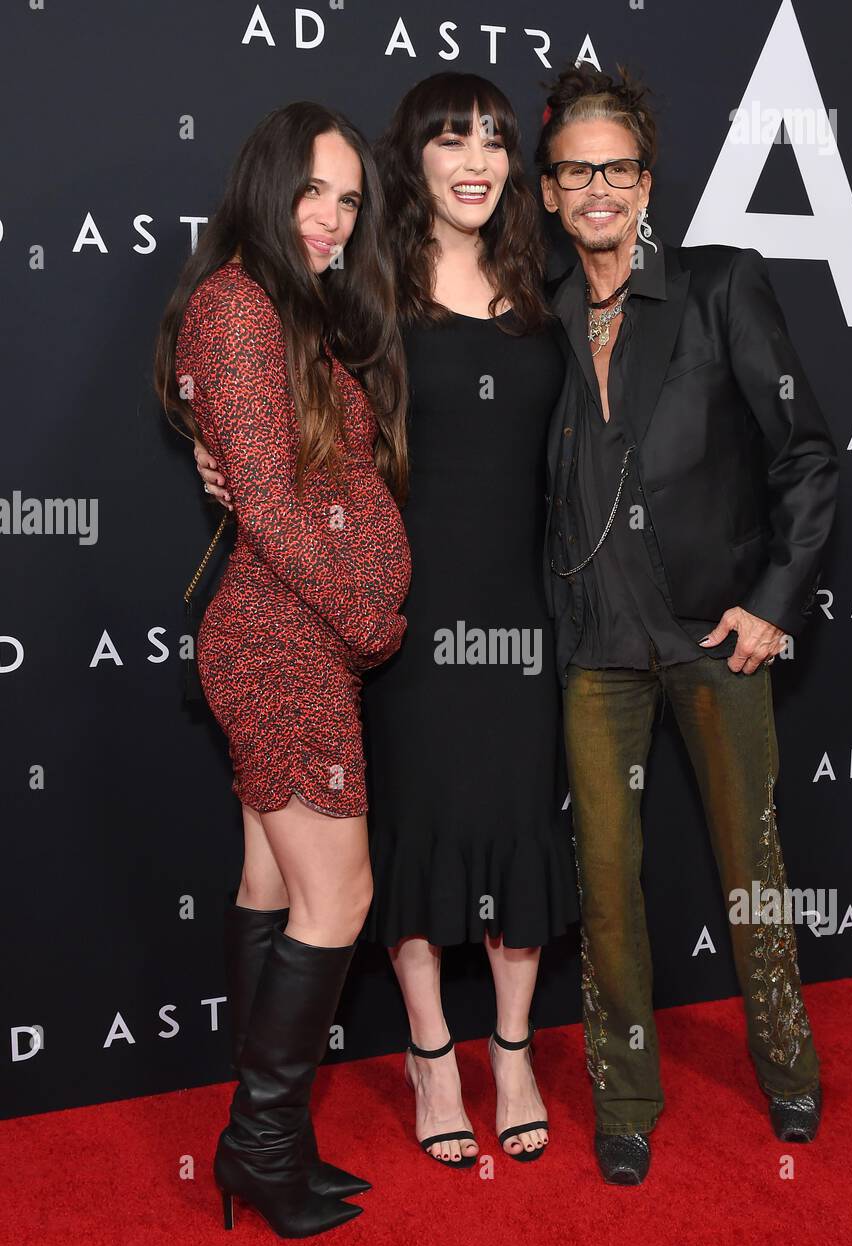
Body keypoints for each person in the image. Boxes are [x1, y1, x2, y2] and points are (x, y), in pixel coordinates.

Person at [196, 73, 580, 1167]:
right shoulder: (360, 291)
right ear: (411, 160)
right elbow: (254, 378)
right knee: (403, 849)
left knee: (516, 831)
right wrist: (209, 443)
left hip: (519, 609)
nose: (475, 157)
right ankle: (427, 1058)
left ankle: (510, 1052)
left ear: (514, 164)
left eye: (495, 139)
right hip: (391, 618)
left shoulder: (544, 280)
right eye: (450, 137)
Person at [536, 63, 838, 1184]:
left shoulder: (717, 285)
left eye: (615, 167)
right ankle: (623, 1096)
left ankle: (790, 1068)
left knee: (749, 872)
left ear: (645, 182)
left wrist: (770, 601)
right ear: (551, 192)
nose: (598, 188)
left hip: (712, 640)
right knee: (605, 888)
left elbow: (805, 455)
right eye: (576, 171)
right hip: (595, 651)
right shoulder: (539, 320)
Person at [155, 101, 411, 1235]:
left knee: (272, 886)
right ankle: (257, 1143)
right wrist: (365, 613)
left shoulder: (282, 310)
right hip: (286, 639)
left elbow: (276, 475)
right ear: (266, 185)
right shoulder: (237, 305)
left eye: (349, 200)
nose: (332, 217)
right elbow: (263, 497)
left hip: (292, 631)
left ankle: (272, 1138)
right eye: (315, 190)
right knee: (338, 895)